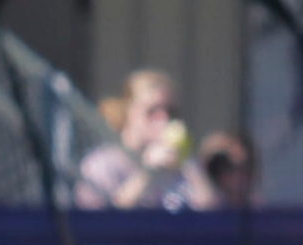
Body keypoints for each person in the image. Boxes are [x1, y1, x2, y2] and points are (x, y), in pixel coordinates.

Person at [75, 69, 218, 211]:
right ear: (129, 111)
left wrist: (191, 166)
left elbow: (213, 217)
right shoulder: (101, 165)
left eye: (170, 111)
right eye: (152, 110)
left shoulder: (181, 166)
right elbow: (102, 223)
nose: (164, 119)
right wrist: (146, 174)